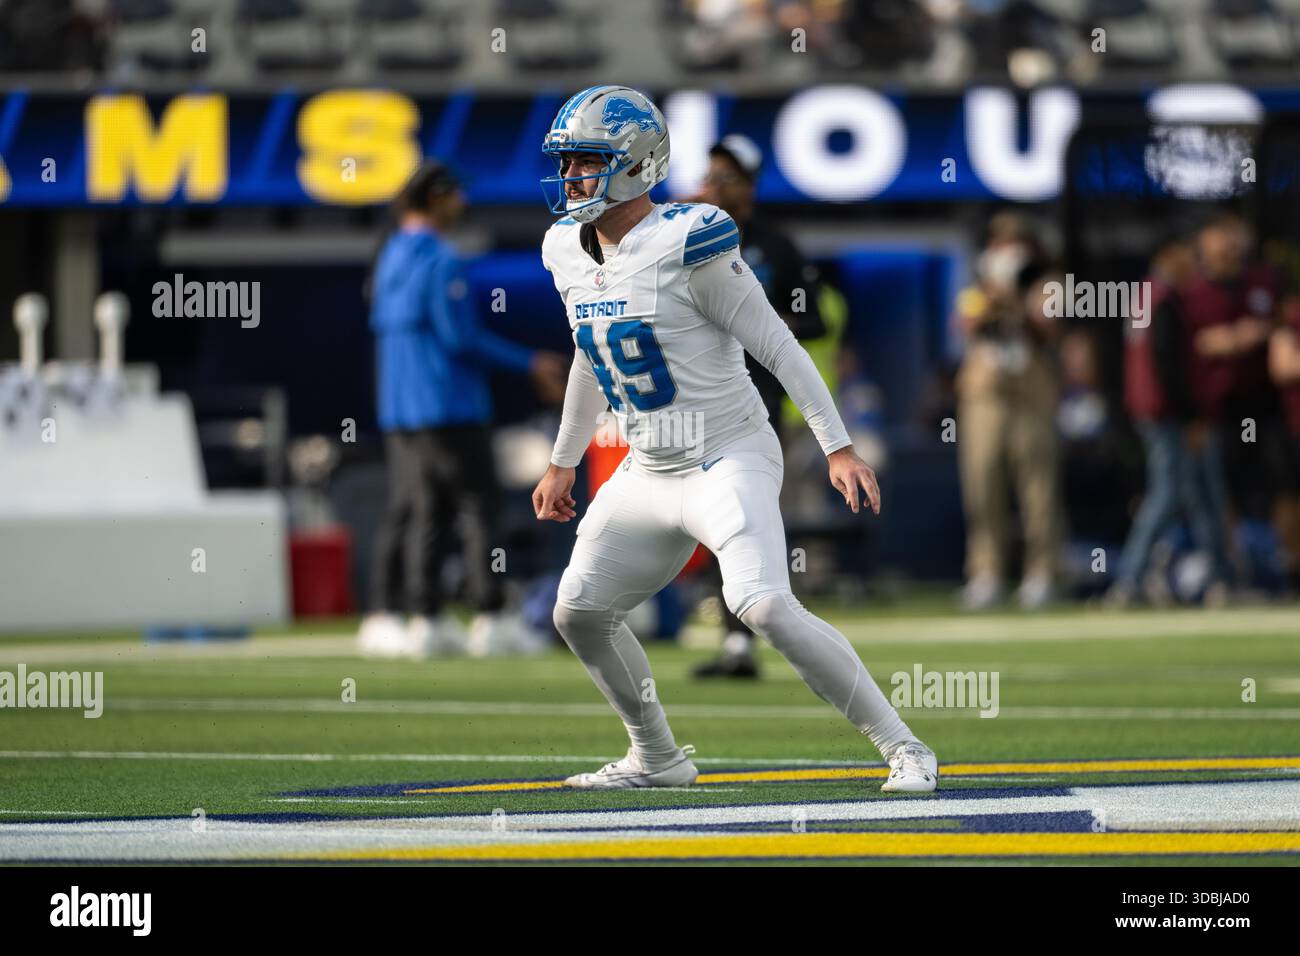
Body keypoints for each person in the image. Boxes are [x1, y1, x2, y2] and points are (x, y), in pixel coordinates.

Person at [530, 85, 938, 793]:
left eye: (586, 163)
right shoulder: (566, 247)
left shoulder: (691, 238)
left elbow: (779, 344)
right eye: (566, 165)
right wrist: (563, 461)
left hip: (727, 455)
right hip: (647, 468)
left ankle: (905, 747)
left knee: (764, 605)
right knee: (579, 613)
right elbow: (587, 354)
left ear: (635, 165)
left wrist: (838, 446)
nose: (571, 180)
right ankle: (657, 756)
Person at [359, 161, 568, 659]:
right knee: (479, 510)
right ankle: (491, 617)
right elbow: (459, 338)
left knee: (420, 511)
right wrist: (531, 362)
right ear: (435, 199)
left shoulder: (388, 258)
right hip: (450, 406)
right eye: (454, 196)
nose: (462, 205)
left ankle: (422, 618)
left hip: (400, 412)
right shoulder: (440, 259)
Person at [688, 133, 826, 679]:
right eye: (711, 176)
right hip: (694, 399)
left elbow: (817, 319)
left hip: (756, 405)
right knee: (703, 522)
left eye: (728, 178)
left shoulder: (775, 245)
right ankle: (722, 635)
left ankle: (753, 637)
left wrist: (765, 328)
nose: (716, 187)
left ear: (749, 187)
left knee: (750, 520)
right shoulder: (685, 235)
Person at [954, 212, 1063, 611]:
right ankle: (986, 572)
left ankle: (1043, 572)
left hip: (1032, 393)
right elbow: (965, 324)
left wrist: (1020, 296)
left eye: (1015, 242)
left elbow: (1051, 327)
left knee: (1038, 487)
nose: (1007, 250)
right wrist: (992, 297)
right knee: (983, 483)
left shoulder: (1047, 282)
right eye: (1001, 242)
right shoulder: (978, 282)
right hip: (985, 393)